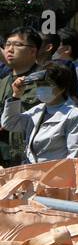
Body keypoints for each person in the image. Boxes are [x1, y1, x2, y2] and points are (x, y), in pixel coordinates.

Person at [1, 63, 78, 163]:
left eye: (47, 85)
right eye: (39, 84)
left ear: (62, 88)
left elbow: (76, 153)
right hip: (31, 170)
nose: (41, 88)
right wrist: (16, 96)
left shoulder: (73, 115)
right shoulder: (38, 110)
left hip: (55, 174)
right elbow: (9, 123)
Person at [0, 27, 45, 166]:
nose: (10, 49)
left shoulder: (46, 81)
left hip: (30, 157)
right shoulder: (3, 81)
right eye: (7, 44)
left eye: (17, 45)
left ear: (33, 51)